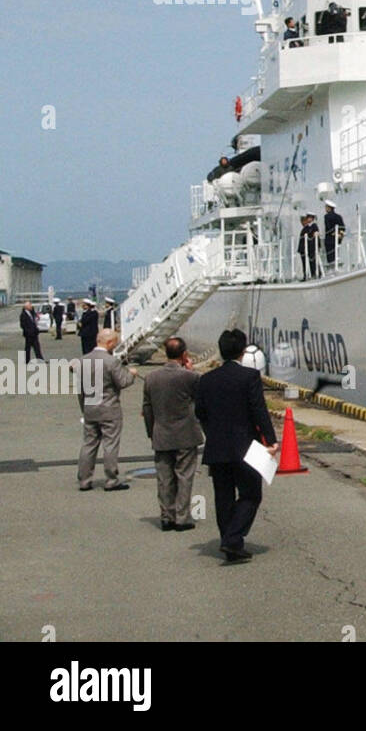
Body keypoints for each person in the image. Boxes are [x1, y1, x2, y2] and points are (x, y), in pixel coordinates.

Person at [194, 329, 278, 563]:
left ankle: (229, 539)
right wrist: (271, 440)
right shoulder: (250, 377)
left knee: (223, 496)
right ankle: (232, 539)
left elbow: (200, 412)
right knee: (251, 494)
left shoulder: (206, 379)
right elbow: (258, 410)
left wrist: (211, 433)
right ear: (243, 352)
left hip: (217, 445)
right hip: (246, 446)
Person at [142, 336, 203, 531]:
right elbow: (200, 400)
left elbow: (147, 408)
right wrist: (190, 370)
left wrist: (151, 431)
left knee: (164, 477)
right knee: (184, 476)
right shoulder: (190, 377)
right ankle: (182, 516)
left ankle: (166, 515)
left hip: (161, 431)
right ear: (184, 355)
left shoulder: (151, 378)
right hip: (185, 432)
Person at [77, 328, 139, 491]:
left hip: (90, 406)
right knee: (110, 444)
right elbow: (123, 382)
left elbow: (80, 389)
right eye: (115, 343)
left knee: (89, 444)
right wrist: (132, 373)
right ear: (110, 342)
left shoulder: (83, 360)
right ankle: (111, 479)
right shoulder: (111, 361)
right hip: (109, 408)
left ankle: (84, 479)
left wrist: (84, 407)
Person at [323, 200, 346, 269]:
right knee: (336, 254)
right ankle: (336, 266)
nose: (325, 209)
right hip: (338, 239)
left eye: (326, 207)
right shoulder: (339, 216)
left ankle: (332, 268)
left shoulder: (326, 216)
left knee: (330, 256)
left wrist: (334, 233)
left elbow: (328, 227)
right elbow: (343, 227)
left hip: (329, 239)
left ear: (329, 208)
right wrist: (340, 234)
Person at [297, 214, 320, 279]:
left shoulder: (313, 227)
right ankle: (306, 275)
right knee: (305, 263)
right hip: (303, 249)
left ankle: (315, 273)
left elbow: (314, 235)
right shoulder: (305, 229)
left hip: (310, 248)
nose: (302, 222)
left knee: (313, 261)